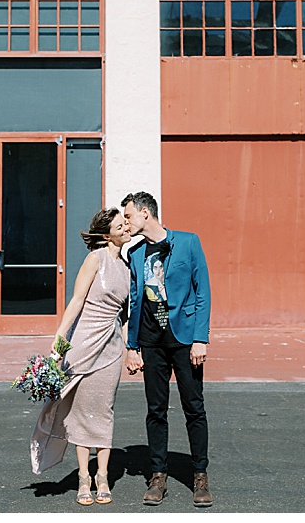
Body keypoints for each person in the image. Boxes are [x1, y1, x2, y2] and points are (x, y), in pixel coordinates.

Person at [30, 207, 132, 506]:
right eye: (120, 225)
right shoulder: (94, 259)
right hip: (84, 342)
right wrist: (60, 338)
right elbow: (76, 300)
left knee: (104, 410)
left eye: (126, 223)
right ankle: (84, 478)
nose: (126, 227)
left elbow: (124, 315)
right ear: (106, 234)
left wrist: (129, 350)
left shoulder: (127, 268)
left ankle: (103, 476)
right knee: (81, 412)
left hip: (111, 347)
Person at [121, 191, 213, 507]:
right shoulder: (134, 254)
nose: (126, 222)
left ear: (146, 213)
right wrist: (131, 346)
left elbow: (203, 292)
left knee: (194, 407)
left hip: (185, 339)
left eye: (129, 216)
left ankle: (199, 475)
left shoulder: (188, 242)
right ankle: (157, 475)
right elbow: (135, 301)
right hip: (151, 342)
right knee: (155, 410)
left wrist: (201, 338)